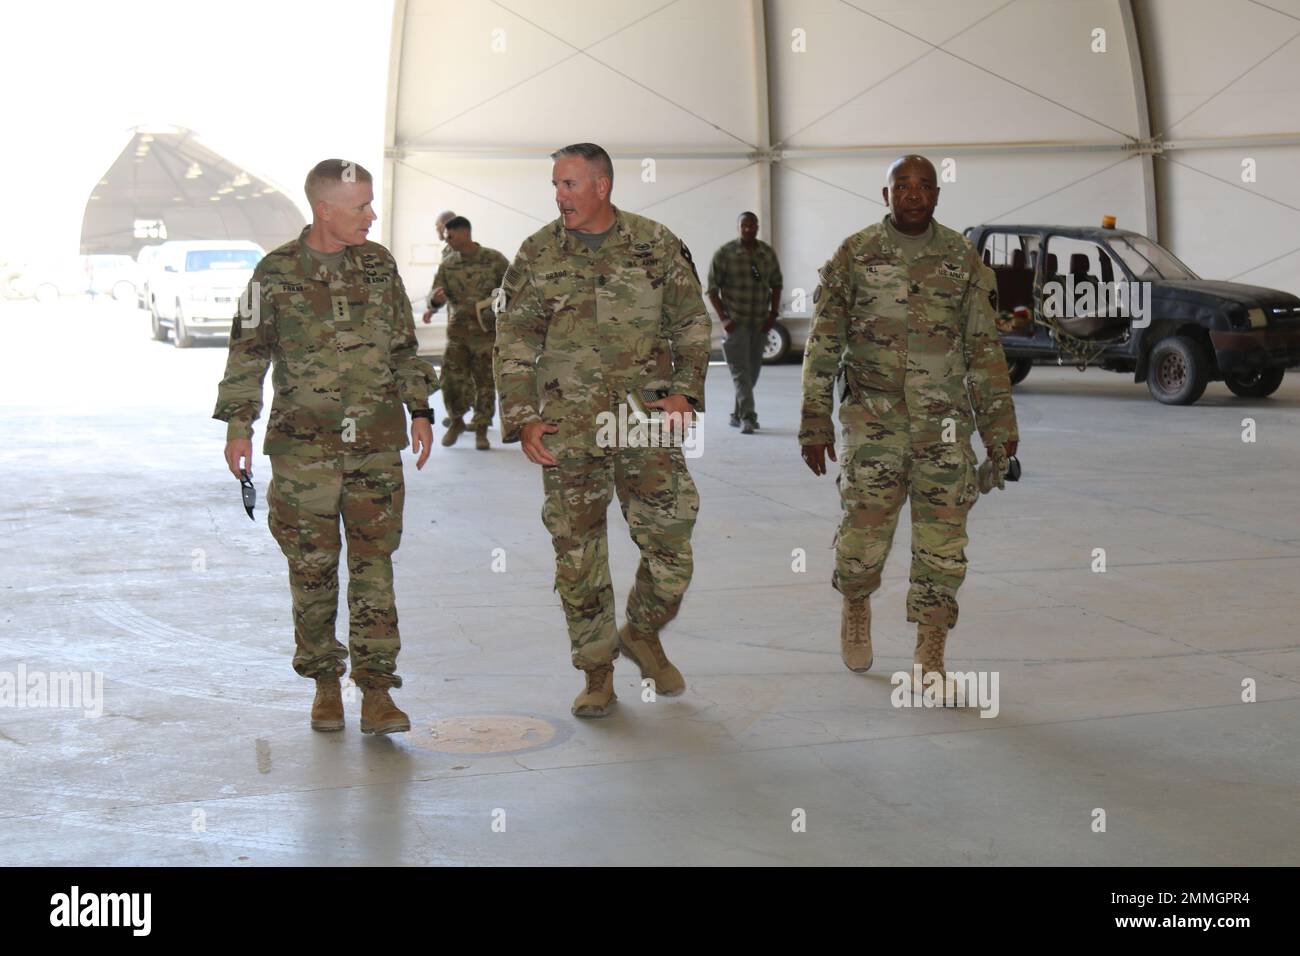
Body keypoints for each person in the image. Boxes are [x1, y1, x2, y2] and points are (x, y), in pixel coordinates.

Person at [214, 159, 439, 735]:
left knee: (374, 566)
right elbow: (247, 355)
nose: (371, 215)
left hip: (376, 444)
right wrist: (238, 425)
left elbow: (404, 347)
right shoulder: (273, 273)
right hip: (302, 451)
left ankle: (378, 692)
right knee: (312, 570)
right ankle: (324, 683)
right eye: (360, 206)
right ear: (324, 209)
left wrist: (419, 409)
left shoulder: (379, 265)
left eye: (370, 203)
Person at [494, 142, 710, 718]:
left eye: (569, 184)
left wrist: (686, 389)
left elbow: (690, 321)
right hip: (569, 430)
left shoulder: (655, 243)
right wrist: (523, 417)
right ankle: (597, 673)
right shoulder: (537, 252)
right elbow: (514, 339)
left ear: (602, 186)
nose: (559, 196)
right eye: (556, 185)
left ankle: (641, 630)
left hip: (645, 422)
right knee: (578, 557)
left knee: (672, 547)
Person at [799, 154, 1018, 693]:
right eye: (904, 185)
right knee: (862, 535)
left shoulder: (962, 260)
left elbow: (985, 348)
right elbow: (823, 344)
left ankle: (930, 647)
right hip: (873, 421)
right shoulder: (854, 256)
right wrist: (814, 422)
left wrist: (999, 429)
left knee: (943, 541)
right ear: (886, 193)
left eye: (924, 186)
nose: (914, 194)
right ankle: (855, 602)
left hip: (944, 424)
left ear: (937, 196)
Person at [424, 216, 509, 450]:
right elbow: (433, 296)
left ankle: (481, 428)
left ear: (464, 233)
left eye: (450, 235)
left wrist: (496, 308)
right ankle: (457, 421)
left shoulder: (494, 260)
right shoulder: (448, 264)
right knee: (451, 380)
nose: (447, 239)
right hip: (458, 334)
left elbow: (514, 289)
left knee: (485, 382)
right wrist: (435, 301)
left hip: (486, 333)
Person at [707, 211, 782, 433]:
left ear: (757, 226)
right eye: (744, 225)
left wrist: (773, 314)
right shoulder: (725, 254)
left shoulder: (767, 254)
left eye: (752, 225)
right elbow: (712, 290)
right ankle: (749, 418)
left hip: (760, 324)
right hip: (736, 324)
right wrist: (724, 319)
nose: (749, 228)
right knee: (741, 373)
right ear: (738, 227)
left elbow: (776, 284)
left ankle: (736, 414)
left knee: (752, 374)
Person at [423, 209, 459, 428]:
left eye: (438, 227)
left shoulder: (455, 252)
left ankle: (458, 417)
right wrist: (433, 308)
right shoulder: (451, 251)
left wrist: (432, 306)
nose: (436, 231)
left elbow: (443, 286)